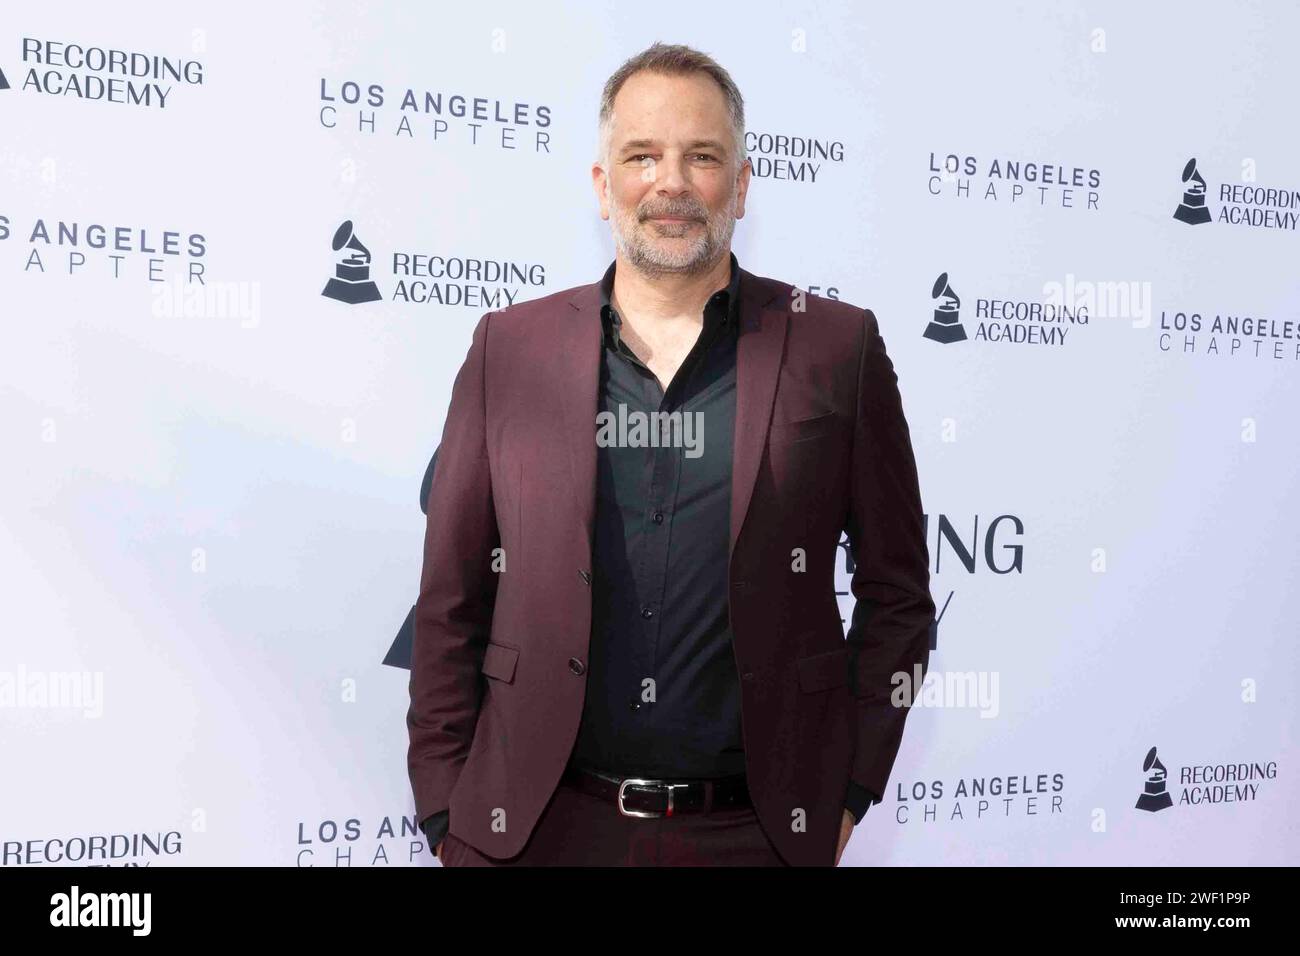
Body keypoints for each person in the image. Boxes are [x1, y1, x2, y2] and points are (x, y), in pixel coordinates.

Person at [407, 41, 933, 867]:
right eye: (642, 156)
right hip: (534, 829)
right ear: (602, 184)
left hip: (755, 835)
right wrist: (446, 809)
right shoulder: (507, 348)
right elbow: (450, 600)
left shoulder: (839, 348)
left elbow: (898, 594)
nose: (672, 183)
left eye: (702, 157)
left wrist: (850, 790)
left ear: (744, 182)